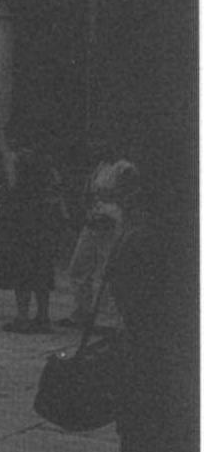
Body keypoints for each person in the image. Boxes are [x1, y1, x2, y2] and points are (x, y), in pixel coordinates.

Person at [106, 130, 198, 452]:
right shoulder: (187, 233)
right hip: (184, 372)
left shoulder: (142, 238)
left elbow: (124, 297)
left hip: (148, 370)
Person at [0, 122, 66, 331]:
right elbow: (55, 188)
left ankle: (22, 316)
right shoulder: (46, 162)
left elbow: (0, 183)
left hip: (19, 219)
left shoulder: (14, 159)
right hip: (41, 218)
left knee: (21, 268)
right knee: (41, 267)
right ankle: (43, 316)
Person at [63, 135, 135, 328]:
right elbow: (89, 191)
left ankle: (108, 318)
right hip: (94, 216)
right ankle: (81, 311)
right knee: (79, 267)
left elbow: (128, 197)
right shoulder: (100, 167)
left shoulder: (124, 168)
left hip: (113, 218)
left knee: (107, 269)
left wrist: (112, 213)